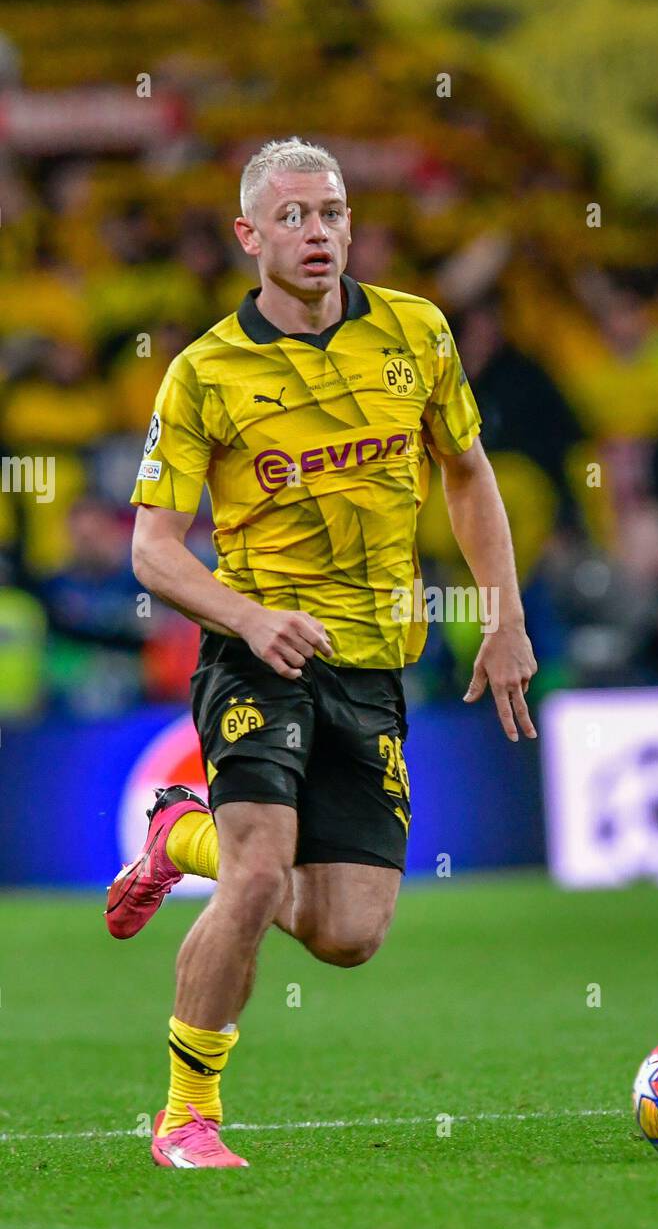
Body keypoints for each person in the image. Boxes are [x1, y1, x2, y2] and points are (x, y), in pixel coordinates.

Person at [104, 137, 537, 1168]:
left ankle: (180, 836)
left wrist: (505, 617)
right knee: (257, 875)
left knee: (347, 934)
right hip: (259, 654)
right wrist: (248, 619)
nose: (316, 232)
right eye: (292, 217)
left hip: (372, 663)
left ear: (352, 225)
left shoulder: (416, 334)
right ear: (249, 236)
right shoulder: (205, 371)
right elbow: (153, 552)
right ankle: (186, 1115)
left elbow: (468, 474)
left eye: (332, 213)